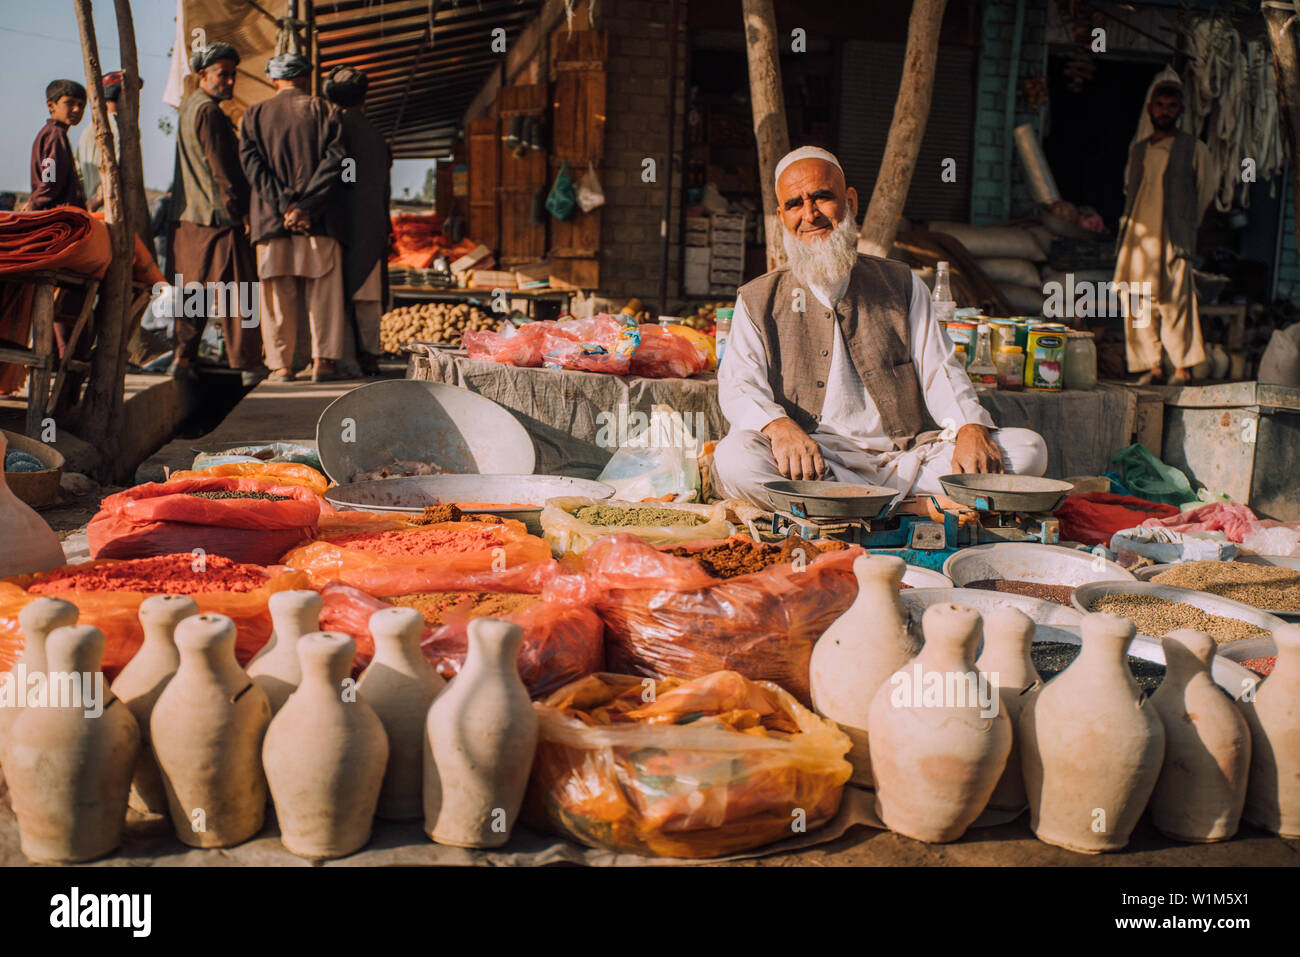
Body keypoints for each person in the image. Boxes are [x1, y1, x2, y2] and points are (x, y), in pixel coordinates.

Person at [713, 146, 1048, 510]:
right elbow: (739, 386)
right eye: (795, 204)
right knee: (735, 459)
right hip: (816, 464)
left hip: (906, 461)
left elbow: (941, 371)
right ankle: (898, 506)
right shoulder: (758, 298)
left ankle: (843, 505)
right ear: (782, 216)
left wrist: (969, 427)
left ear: (851, 202)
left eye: (822, 197)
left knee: (1028, 451)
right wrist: (779, 428)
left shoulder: (902, 285)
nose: (809, 215)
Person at [239, 52, 347, 382]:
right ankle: (323, 362)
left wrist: (285, 205)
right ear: (305, 78)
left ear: (274, 79)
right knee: (324, 292)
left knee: (275, 297)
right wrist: (306, 207)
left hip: (272, 222)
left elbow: (252, 166)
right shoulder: (327, 111)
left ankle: (281, 365)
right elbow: (336, 162)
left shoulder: (253, 115)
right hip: (319, 221)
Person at [168, 42, 265, 383]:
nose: (229, 81)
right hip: (218, 218)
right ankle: (250, 364)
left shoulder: (187, 108)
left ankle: (182, 358)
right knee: (242, 293)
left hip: (188, 218)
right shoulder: (208, 112)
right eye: (223, 75)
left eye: (232, 75)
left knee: (191, 292)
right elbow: (223, 169)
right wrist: (242, 212)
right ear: (202, 76)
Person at [1113, 76, 1215, 386]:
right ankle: (1152, 365)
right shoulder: (1139, 149)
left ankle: (1181, 367)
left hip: (1173, 236)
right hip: (1138, 238)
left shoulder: (1193, 148)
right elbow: (1130, 186)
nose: (1164, 112)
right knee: (1138, 302)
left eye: (1171, 106)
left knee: (1176, 301)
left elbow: (1206, 189)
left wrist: (1186, 224)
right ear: (1149, 110)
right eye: (1159, 106)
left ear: (1181, 110)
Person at [323, 65, 391, 377]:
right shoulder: (376, 136)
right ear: (366, 98)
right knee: (367, 295)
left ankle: (342, 357)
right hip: (372, 224)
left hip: (340, 225)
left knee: (340, 295)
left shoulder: (331, 127)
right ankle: (369, 356)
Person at [75, 72, 140, 212]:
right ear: (122, 95)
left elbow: (78, 173)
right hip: (111, 210)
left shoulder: (88, 130)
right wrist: (99, 199)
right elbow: (115, 169)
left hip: (92, 212)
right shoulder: (118, 128)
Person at [27, 79, 87, 211]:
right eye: (69, 103)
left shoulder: (53, 133)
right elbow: (50, 179)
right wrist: (35, 203)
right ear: (51, 105)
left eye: (81, 105)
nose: (77, 109)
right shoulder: (55, 135)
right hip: (57, 214)